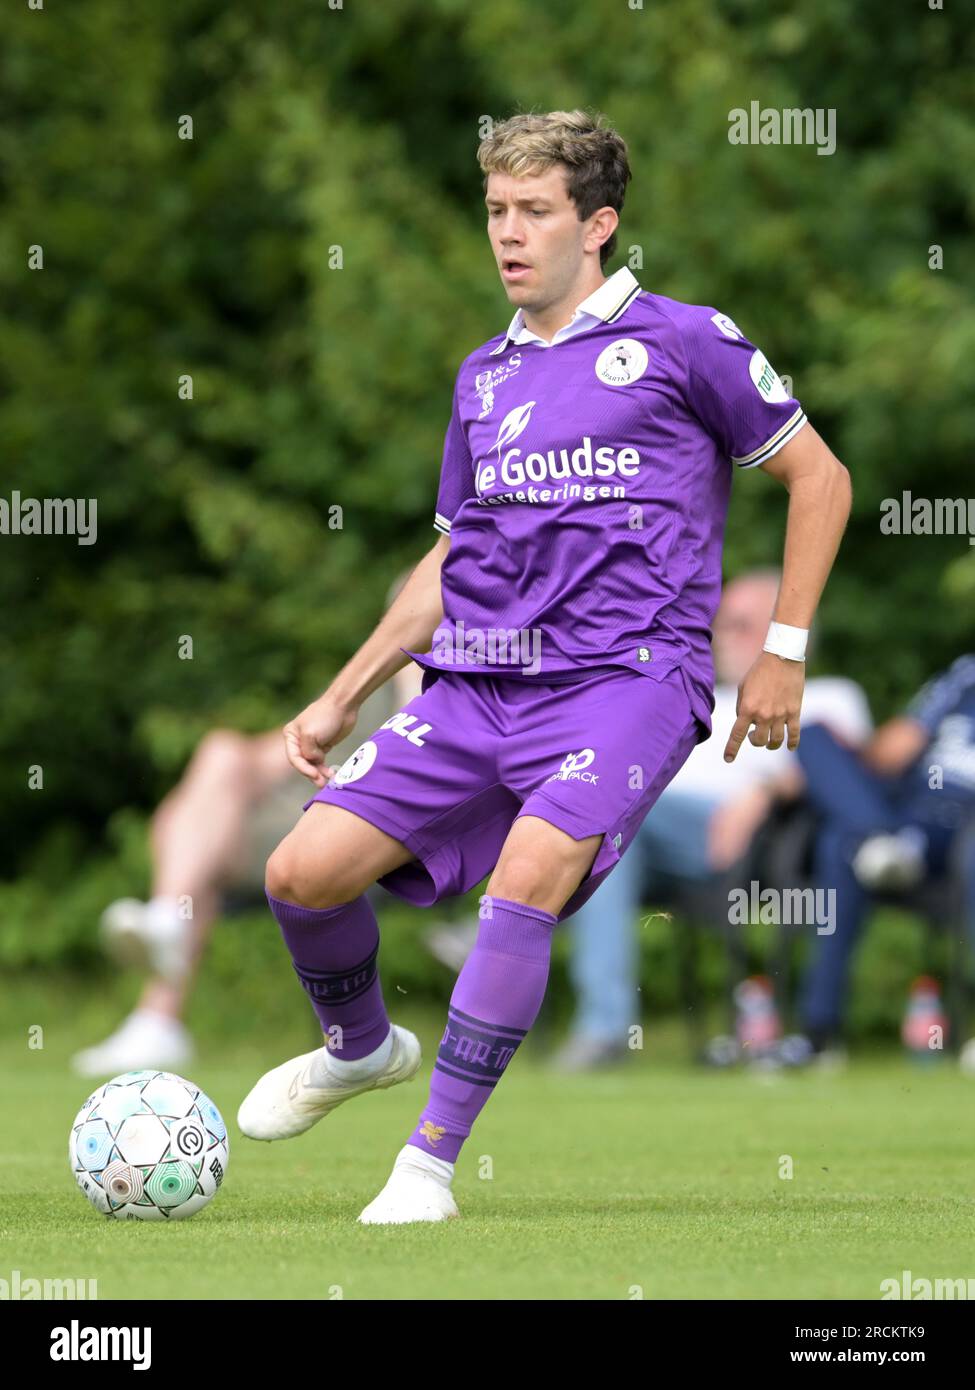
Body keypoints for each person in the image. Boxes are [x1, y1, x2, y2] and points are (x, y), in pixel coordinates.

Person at [236, 108, 852, 1225]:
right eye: (495, 211)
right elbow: (449, 556)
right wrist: (340, 692)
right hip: (481, 682)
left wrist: (784, 651)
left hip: (631, 679)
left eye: (533, 212)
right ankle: (361, 1047)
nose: (508, 234)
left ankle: (426, 1167)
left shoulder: (685, 341)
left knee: (530, 868)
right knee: (299, 874)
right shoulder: (483, 378)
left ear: (598, 224)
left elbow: (822, 479)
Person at [71, 585, 422, 1078]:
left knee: (184, 834)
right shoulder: (366, 691)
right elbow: (278, 750)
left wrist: (417, 675)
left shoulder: (449, 696)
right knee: (219, 757)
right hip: (293, 814)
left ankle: (159, 1004)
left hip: (361, 826)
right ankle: (167, 934)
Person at [549, 568, 872, 1071]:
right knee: (599, 825)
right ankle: (605, 1029)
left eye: (740, 624)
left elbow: (849, 776)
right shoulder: (693, 693)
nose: (721, 636)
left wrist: (763, 791)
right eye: (720, 623)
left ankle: (508, 921)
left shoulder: (831, 694)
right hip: (654, 839)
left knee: (603, 813)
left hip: (764, 839)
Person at [787, 655, 975, 1062]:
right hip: (904, 807)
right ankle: (819, 1037)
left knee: (842, 841)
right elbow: (893, 750)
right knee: (811, 734)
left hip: (961, 827)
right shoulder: (967, 674)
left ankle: (883, 840)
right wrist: (853, 755)